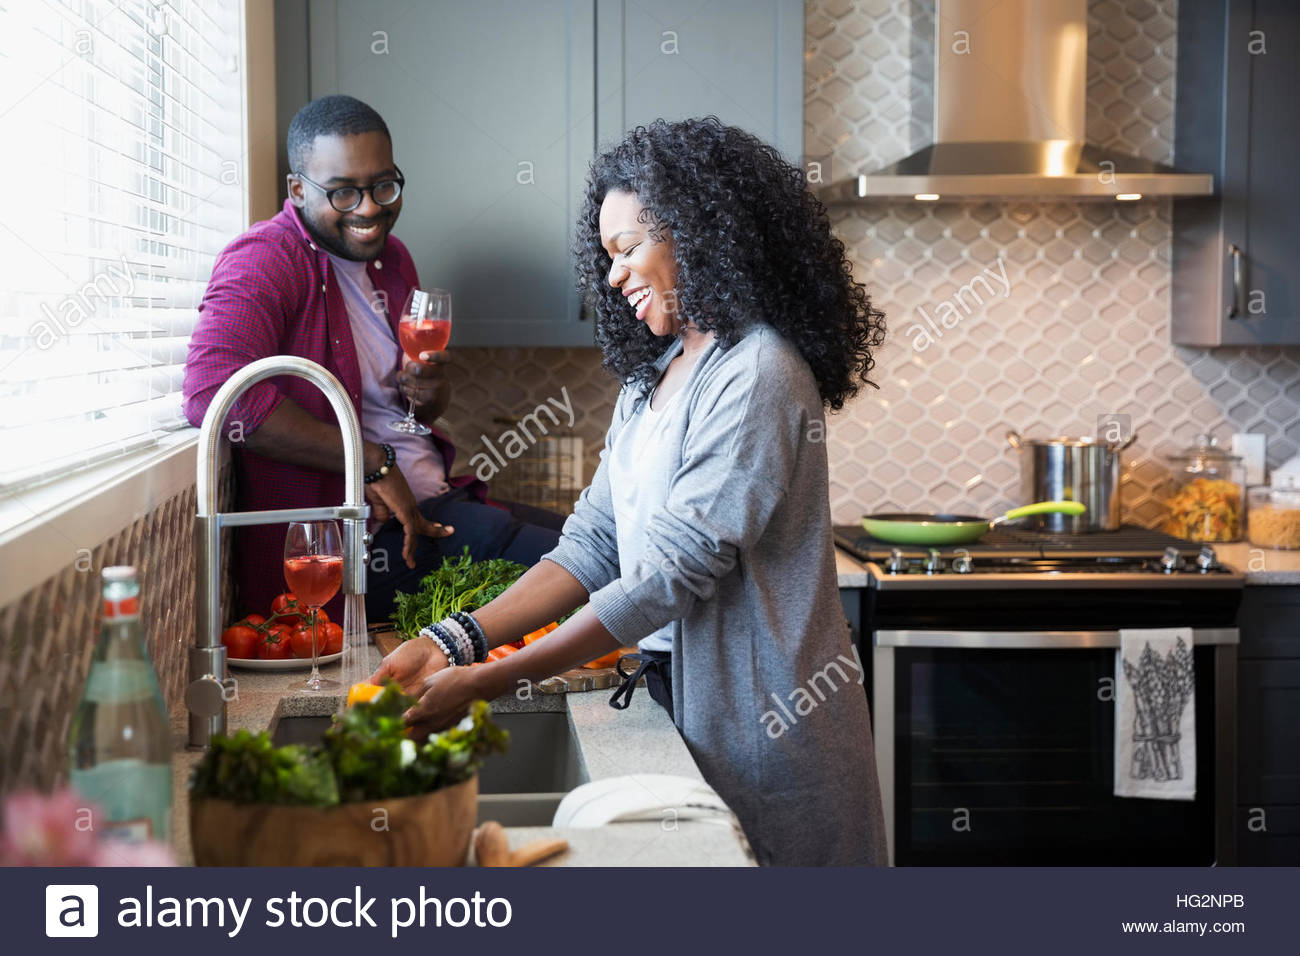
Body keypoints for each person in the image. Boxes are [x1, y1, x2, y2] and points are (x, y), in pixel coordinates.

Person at [370, 117, 890, 866]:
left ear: (701, 231)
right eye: (606, 254)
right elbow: (592, 547)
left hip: (765, 730)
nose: (612, 276)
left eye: (628, 249)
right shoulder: (653, 378)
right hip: (676, 716)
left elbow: (667, 577)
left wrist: (491, 679)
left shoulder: (759, 374)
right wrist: (450, 640)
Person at [183, 95, 563, 624]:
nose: (368, 208)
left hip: (437, 504)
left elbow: (412, 408)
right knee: (597, 567)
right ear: (297, 189)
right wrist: (370, 460)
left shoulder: (391, 257)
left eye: (383, 185)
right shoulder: (267, 258)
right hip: (365, 551)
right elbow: (212, 392)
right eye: (342, 192)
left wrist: (430, 393)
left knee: (596, 539)